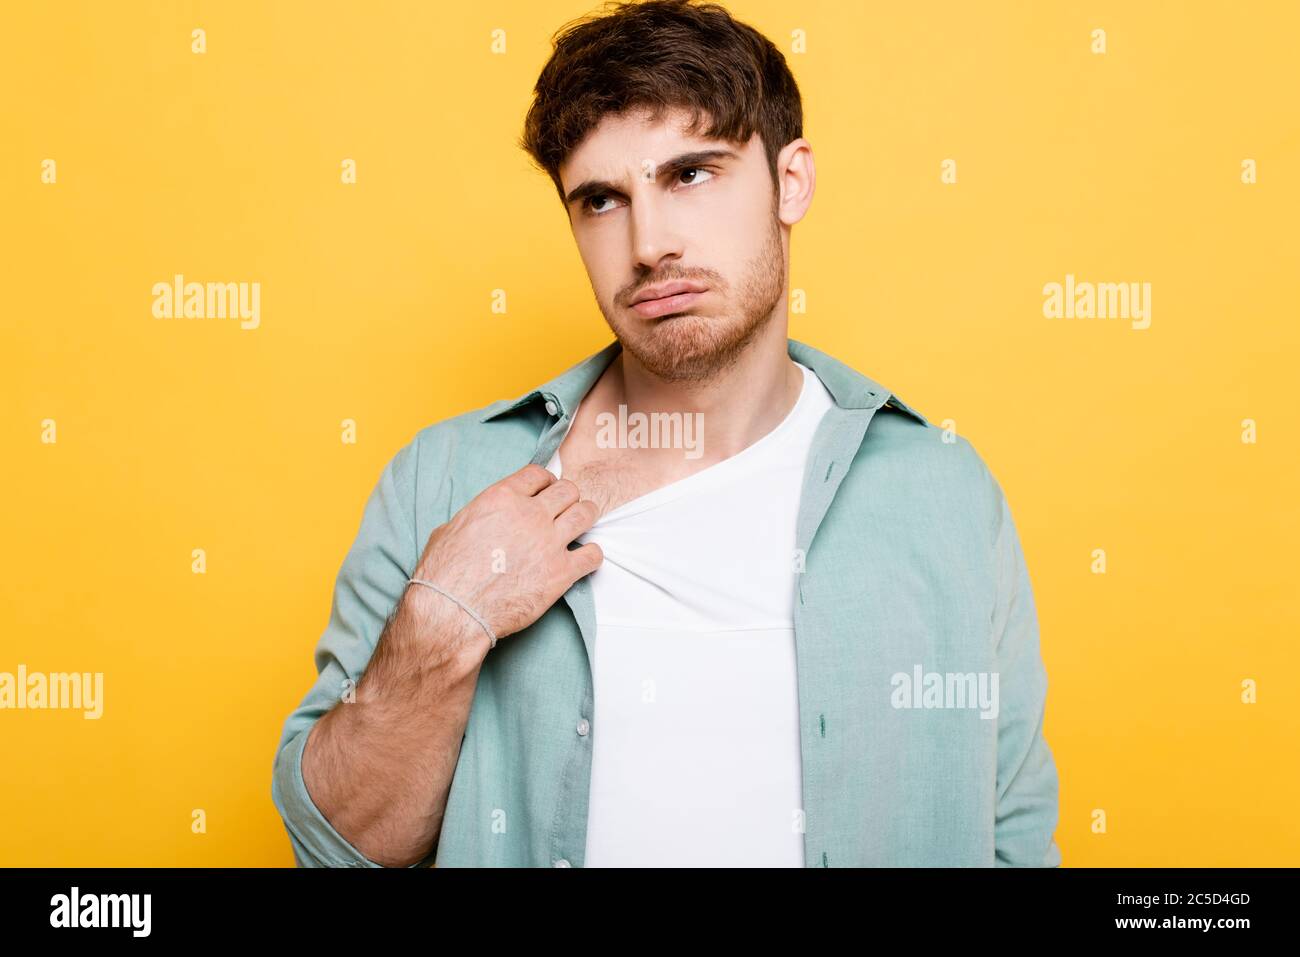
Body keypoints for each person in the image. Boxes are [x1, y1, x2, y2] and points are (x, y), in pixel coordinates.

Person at [271, 0, 1061, 868]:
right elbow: (342, 848)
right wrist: (441, 622)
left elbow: (1013, 837)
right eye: (602, 200)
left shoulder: (942, 491)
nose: (648, 246)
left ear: (790, 180)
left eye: (691, 174)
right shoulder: (445, 478)